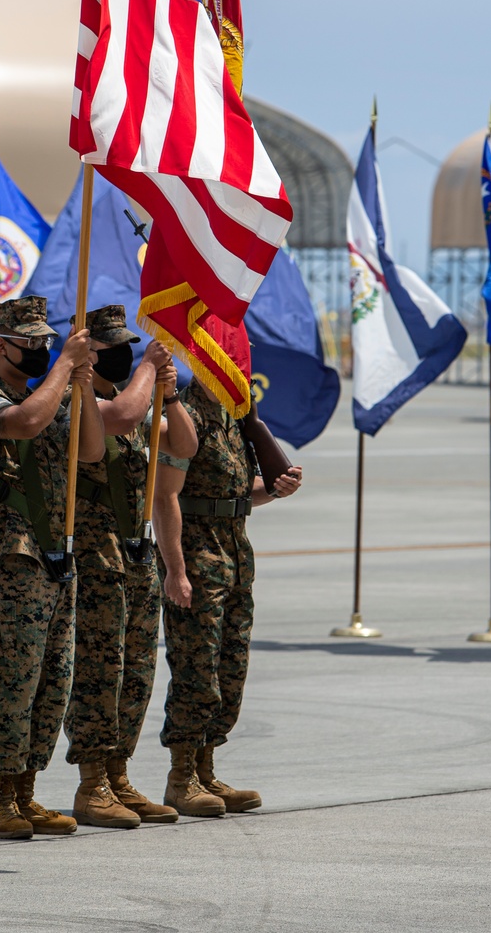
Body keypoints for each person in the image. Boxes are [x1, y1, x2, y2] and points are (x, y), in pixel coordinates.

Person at [0, 296, 103, 840]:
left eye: (47, 342)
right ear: (1, 346)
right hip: (10, 557)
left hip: (56, 557)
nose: (42, 350)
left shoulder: (47, 394)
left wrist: (81, 386)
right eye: (32, 342)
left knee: (51, 681)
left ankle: (25, 790)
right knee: (12, 679)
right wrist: (64, 367)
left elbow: (91, 450)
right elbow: (20, 426)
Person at [64, 305, 198, 828]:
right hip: (95, 556)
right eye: (113, 349)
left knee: (135, 672)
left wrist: (172, 392)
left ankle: (118, 775)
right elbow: (118, 417)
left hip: (134, 556)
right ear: (89, 353)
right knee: (99, 672)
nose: (123, 355)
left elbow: (184, 445)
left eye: (128, 347)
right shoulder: (80, 399)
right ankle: (92, 783)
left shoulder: (137, 399)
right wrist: (147, 368)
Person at [153, 373, 303, 817]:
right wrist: (176, 570)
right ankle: (181, 777)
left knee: (230, 672)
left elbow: (236, 494)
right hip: (198, 560)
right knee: (196, 670)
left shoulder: (235, 418)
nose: (242, 367)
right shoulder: (186, 416)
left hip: (235, 559)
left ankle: (206, 770)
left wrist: (274, 488)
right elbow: (165, 497)